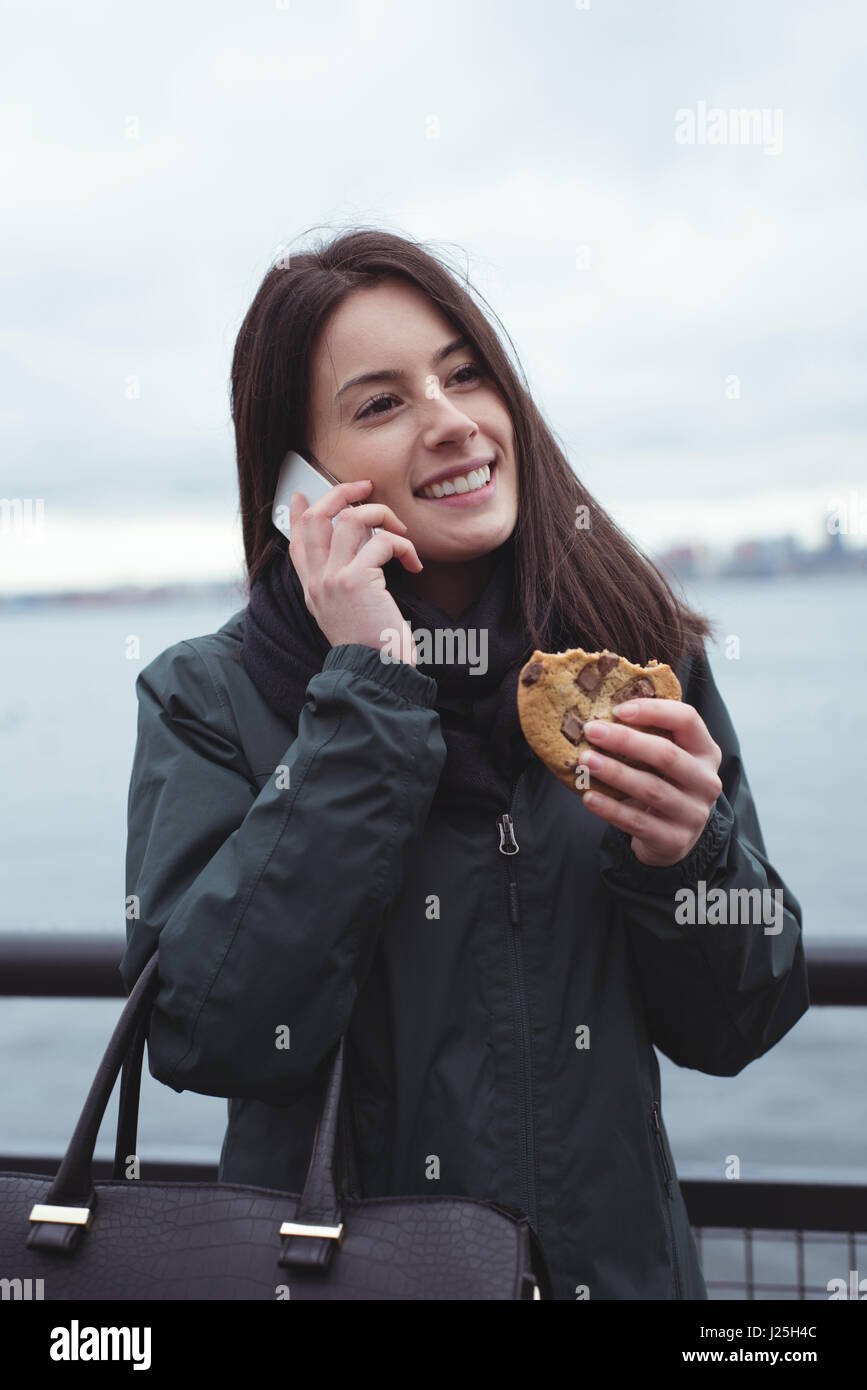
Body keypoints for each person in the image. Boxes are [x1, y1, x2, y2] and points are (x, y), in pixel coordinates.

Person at [120, 226, 809, 1301]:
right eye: (382, 403)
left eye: (464, 373)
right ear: (301, 483)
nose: (451, 424)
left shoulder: (636, 658)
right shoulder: (211, 698)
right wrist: (367, 696)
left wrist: (692, 857)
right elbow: (212, 1036)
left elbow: (741, 1025)